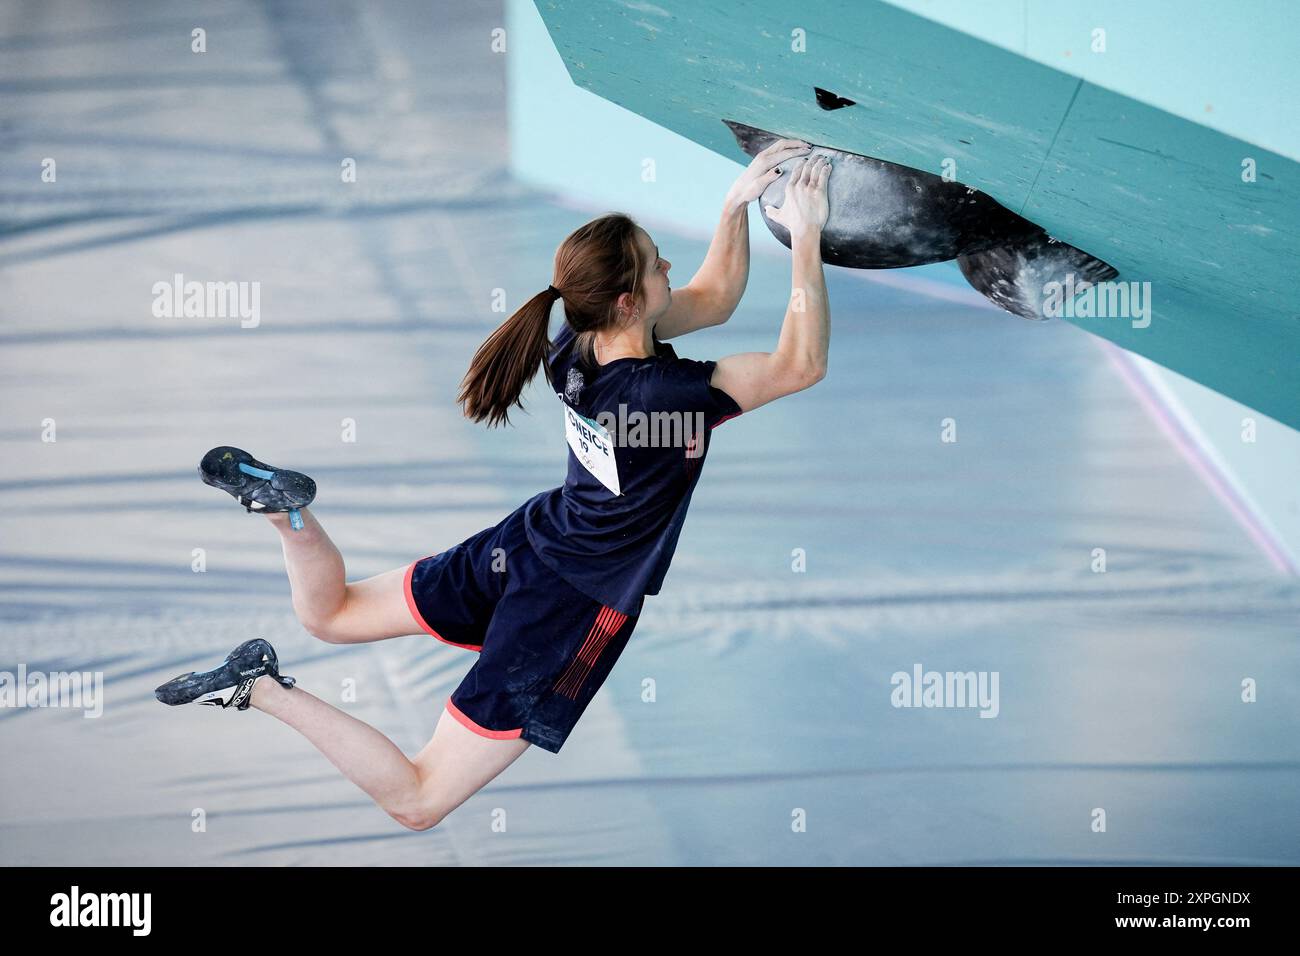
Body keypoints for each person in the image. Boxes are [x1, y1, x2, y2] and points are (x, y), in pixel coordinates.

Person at [156, 140, 832, 831]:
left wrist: (737, 202)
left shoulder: (576, 343)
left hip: (533, 541)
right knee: (418, 800)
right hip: (569, 604)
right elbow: (799, 366)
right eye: (659, 263)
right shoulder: (662, 392)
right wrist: (806, 238)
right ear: (629, 302)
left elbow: (714, 299)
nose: (669, 267)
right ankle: (259, 690)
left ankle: (285, 516)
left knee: (329, 615)